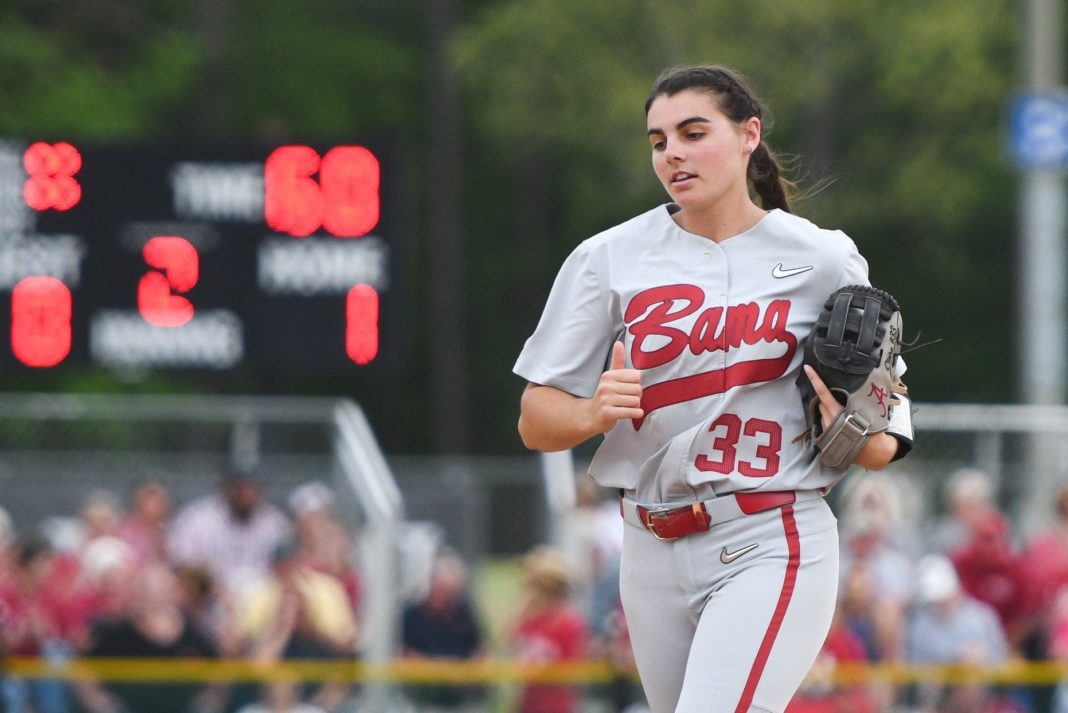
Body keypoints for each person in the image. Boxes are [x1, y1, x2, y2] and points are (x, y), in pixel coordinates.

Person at [513, 64, 915, 713]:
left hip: (769, 530)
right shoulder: (609, 257)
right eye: (658, 140)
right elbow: (535, 418)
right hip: (648, 544)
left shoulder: (822, 256)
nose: (673, 152)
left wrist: (858, 423)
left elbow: (886, 428)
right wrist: (592, 410)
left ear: (748, 133)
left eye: (693, 132)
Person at [167, 468, 292, 602]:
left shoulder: (274, 523)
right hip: (208, 597)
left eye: (252, 489)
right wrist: (214, 589)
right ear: (227, 489)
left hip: (260, 599)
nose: (246, 494)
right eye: (240, 489)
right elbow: (183, 565)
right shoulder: (197, 518)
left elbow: (284, 567)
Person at [508, 546, 589, 713]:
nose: (529, 590)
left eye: (536, 585)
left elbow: (572, 672)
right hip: (527, 703)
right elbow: (508, 640)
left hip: (556, 706)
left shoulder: (569, 622)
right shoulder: (530, 617)